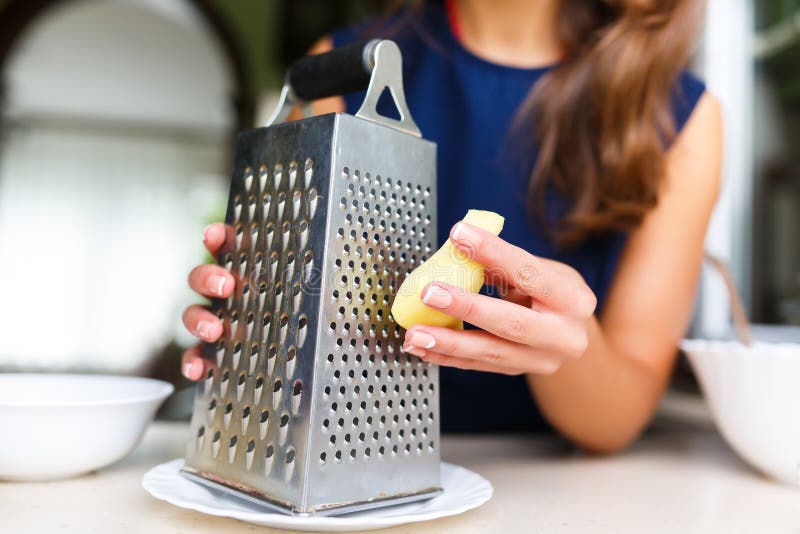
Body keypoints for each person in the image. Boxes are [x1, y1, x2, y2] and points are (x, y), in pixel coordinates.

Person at [181, 0, 722, 453]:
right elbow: (299, 347)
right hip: (356, 451)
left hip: (548, 481)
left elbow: (615, 420)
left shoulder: (682, 118)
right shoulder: (345, 67)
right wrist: (255, 316)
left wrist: (555, 332)